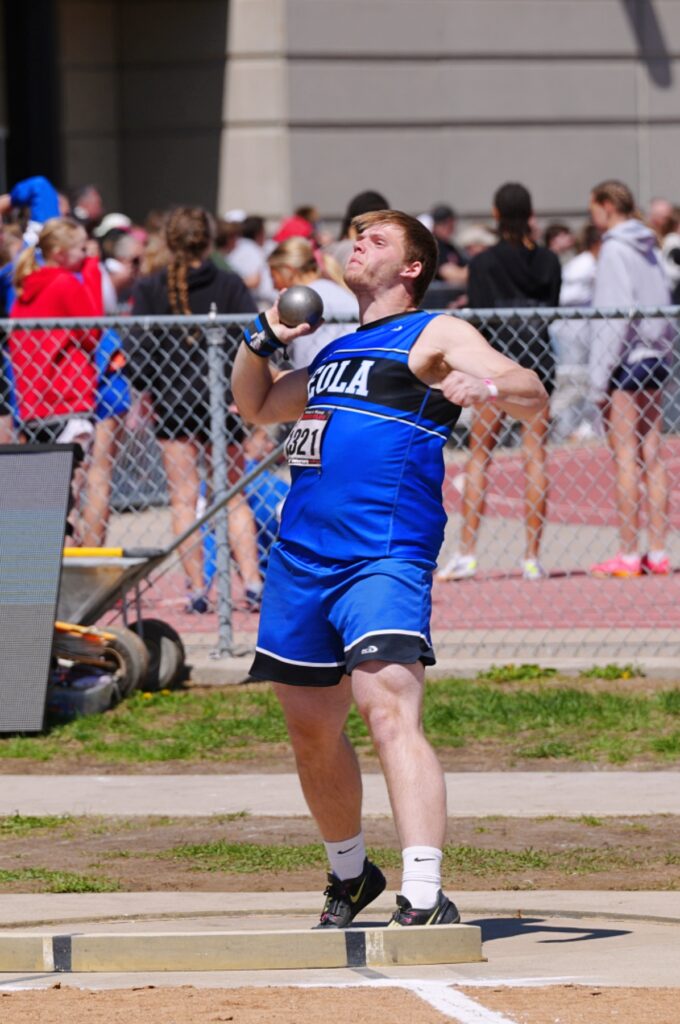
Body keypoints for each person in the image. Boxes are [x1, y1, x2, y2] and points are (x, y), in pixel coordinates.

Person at [232, 209, 546, 928]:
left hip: (382, 552)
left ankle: (426, 892)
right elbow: (256, 404)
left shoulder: (434, 333)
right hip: (301, 557)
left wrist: (488, 389)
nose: (356, 245)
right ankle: (351, 874)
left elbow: (530, 390)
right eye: (355, 237)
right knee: (310, 729)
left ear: (411, 267)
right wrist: (259, 339)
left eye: (375, 240)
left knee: (387, 706)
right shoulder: (336, 352)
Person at [127, 205, 263, 612]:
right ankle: (252, 583)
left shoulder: (151, 286)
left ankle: (197, 589)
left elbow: (138, 352)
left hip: (175, 404)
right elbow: (251, 340)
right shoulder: (227, 282)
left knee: (184, 500)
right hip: (222, 399)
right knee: (233, 496)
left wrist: (149, 386)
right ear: (208, 241)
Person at [438, 182, 560, 582]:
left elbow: (481, 315)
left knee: (480, 455)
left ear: (496, 213)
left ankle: (468, 552)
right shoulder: (548, 261)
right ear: (529, 214)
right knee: (534, 455)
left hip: (495, 363)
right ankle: (532, 557)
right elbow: (552, 307)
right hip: (538, 362)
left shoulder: (486, 262)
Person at [587, 180, 672, 577]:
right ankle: (658, 550)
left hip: (626, 361)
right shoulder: (650, 245)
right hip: (655, 356)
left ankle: (628, 552)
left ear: (606, 205)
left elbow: (613, 316)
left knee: (624, 456)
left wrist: (598, 379)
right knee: (651, 456)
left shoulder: (614, 249)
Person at [9, 217, 103, 541]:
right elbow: (92, 332)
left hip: (35, 405)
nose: (87, 254)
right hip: (69, 400)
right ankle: (64, 560)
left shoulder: (27, 287)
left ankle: (42, 557)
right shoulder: (64, 283)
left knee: (46, 498)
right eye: (81, 249)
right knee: (67, 498)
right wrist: (91, 271)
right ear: (61, 253)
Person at [267, 237, 359, 368]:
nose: (273, 286)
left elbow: (308, 364)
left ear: (289, 271)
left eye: (273, 276)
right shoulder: (325, 289)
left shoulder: (307, 302)